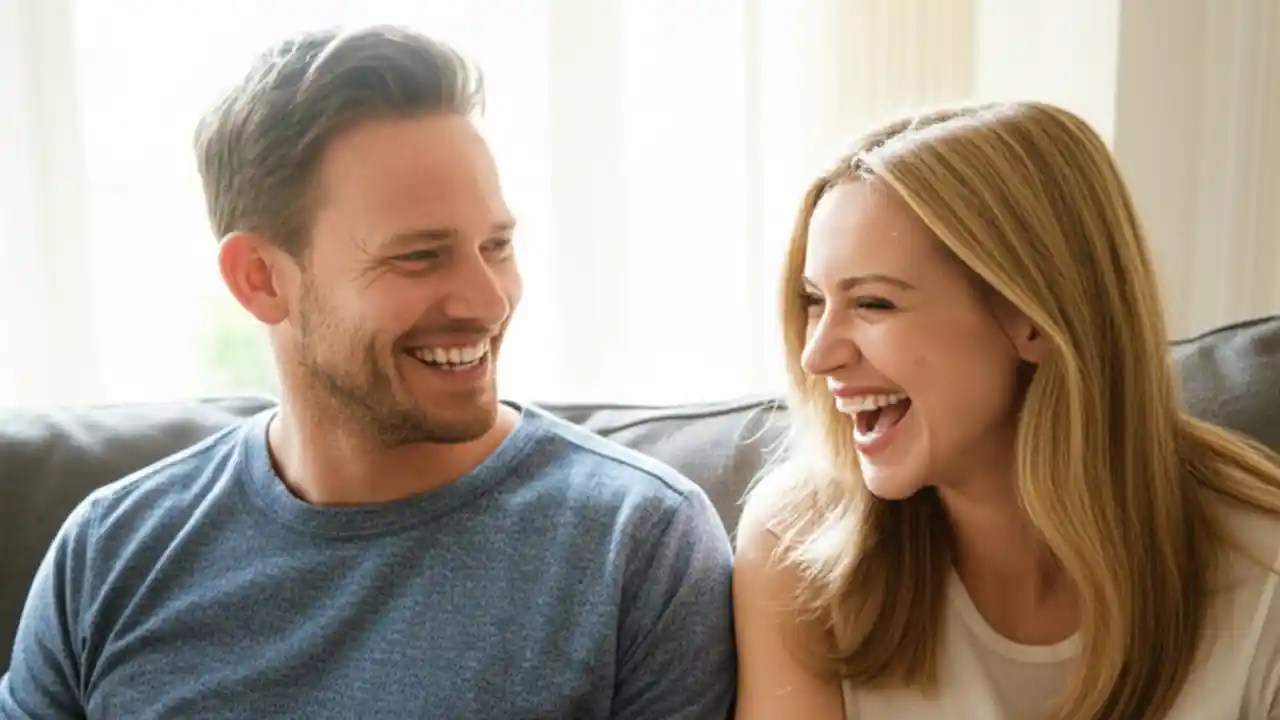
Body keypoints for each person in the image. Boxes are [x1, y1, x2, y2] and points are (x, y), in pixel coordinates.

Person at [0, 25, 736, 719]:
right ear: (260, 278)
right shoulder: (108, 553)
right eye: (419, 256)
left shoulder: (638, 545)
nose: (487, 301)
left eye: (498, 246)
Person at [732, 101, 1280, 719]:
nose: (818, 355)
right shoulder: (796, 548)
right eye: (814, 300)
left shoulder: (1263, 567)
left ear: (1034, 320)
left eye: (874, 304)